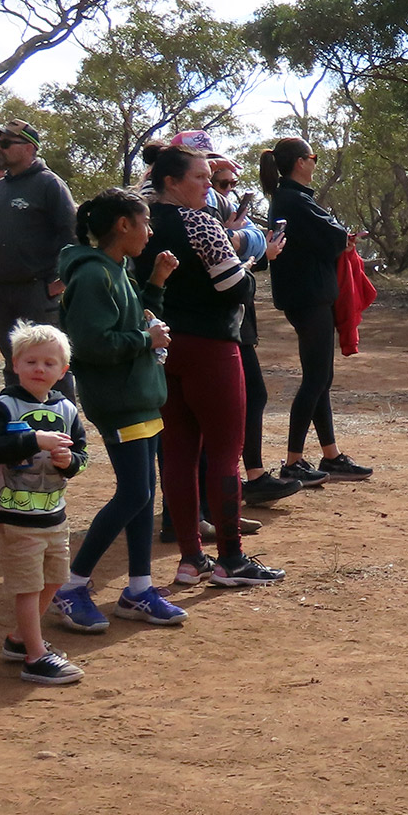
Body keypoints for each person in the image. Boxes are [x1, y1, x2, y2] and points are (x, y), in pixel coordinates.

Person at [142, 145, 285, 588]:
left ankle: (191, 559)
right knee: (224, 452)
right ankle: (231, 559)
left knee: (179, 455)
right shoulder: (199, 221)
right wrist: (253, 259)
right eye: (201, 178)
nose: (209, 186)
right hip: (211, 347)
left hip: (163, 347)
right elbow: (234, 287)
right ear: (171, 181)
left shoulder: (141, 223)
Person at [56, 188, 188, 629]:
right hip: (119, 401)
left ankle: (137, 590)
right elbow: (91, 345)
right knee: (134, 493)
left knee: (144, 494)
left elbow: (134, 322)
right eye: (145, 222)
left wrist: (156, 285)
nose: (150, 231)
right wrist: (145, 341)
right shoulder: (94, 275)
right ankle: (71, 587)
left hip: (140, 396)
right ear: (123, 225)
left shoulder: (117, 270)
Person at [196, 139, 302, 507]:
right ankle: (240, 483)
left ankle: (246, 479)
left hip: (234, 320)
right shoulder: (196, 220)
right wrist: (252, 247)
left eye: (227, 185)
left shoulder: (209, 216)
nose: (222, 192)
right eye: (216, 182)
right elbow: (223, 267)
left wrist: (256, 250)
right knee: (243, 399)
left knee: (249, 397)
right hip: (218, 325)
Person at [0, 322, 87, 684]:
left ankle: (18, 640)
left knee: (54, 579)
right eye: (31, 362)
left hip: (52, 513)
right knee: (28, 585)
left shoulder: (68, 409)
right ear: (15, 364)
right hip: (13, 513)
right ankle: (35, 655)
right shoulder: (3, 406)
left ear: (63, 371)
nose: (39, 369)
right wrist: (33, 440)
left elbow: (81, 454)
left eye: (48, 363)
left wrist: (68, 463)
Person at [262, 137, 371, 482]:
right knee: (316, 378)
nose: (315, 162)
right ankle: (293, 462)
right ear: (299, 163)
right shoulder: (293, 201)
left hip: (307, 295)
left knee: (321, 377)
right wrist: (342, 236)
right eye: (313, 156)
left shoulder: (294, 200)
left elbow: (328, 237)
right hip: (308, 297)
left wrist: (338, 237)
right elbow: (333, 236)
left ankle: (330, 455)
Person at [0, 120, 77, 401]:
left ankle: (63, 429)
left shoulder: (50, 184)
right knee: (15, 363)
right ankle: (22, 430)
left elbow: (71, 234)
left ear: (29, 148)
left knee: (48, 362)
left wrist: (59, 281)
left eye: (6, 143)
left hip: (36, 290)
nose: (0, 149)